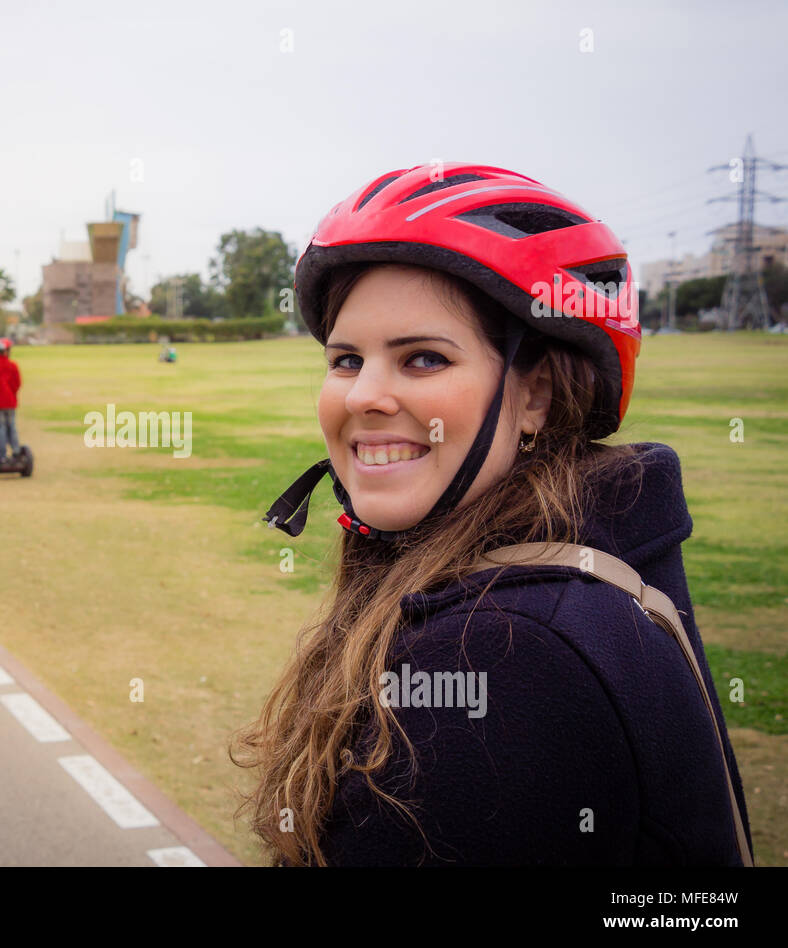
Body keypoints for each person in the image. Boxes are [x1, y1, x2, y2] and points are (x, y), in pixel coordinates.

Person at [234, 163, 753, 867]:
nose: (364, 396)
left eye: (422, 358)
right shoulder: (588, 576)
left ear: (535, 396)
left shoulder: (504, 655)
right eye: (347, 359)